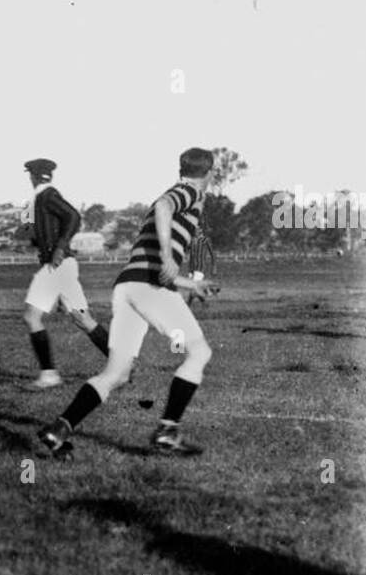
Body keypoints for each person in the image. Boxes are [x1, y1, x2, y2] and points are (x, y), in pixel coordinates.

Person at [40, 147, 219, 458]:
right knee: (199, 352)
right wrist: (167, 257)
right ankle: (168, 429)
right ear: (209, 173)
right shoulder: (189, 191)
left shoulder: (176, 193)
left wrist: (191, 283)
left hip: (128, 287)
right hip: (149, 287)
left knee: (117, 374)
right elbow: (165, 208)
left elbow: (151, 263)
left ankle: (59, 428)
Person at [22, 159, 109, 388]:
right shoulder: (43, 197)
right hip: (65, 267)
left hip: (56, 265)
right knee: (83, 318)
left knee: (32, 317)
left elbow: (73, 216)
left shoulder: (46, 196)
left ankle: (49, 375)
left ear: (32, 176)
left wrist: (59, 246)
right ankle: (122, 364)